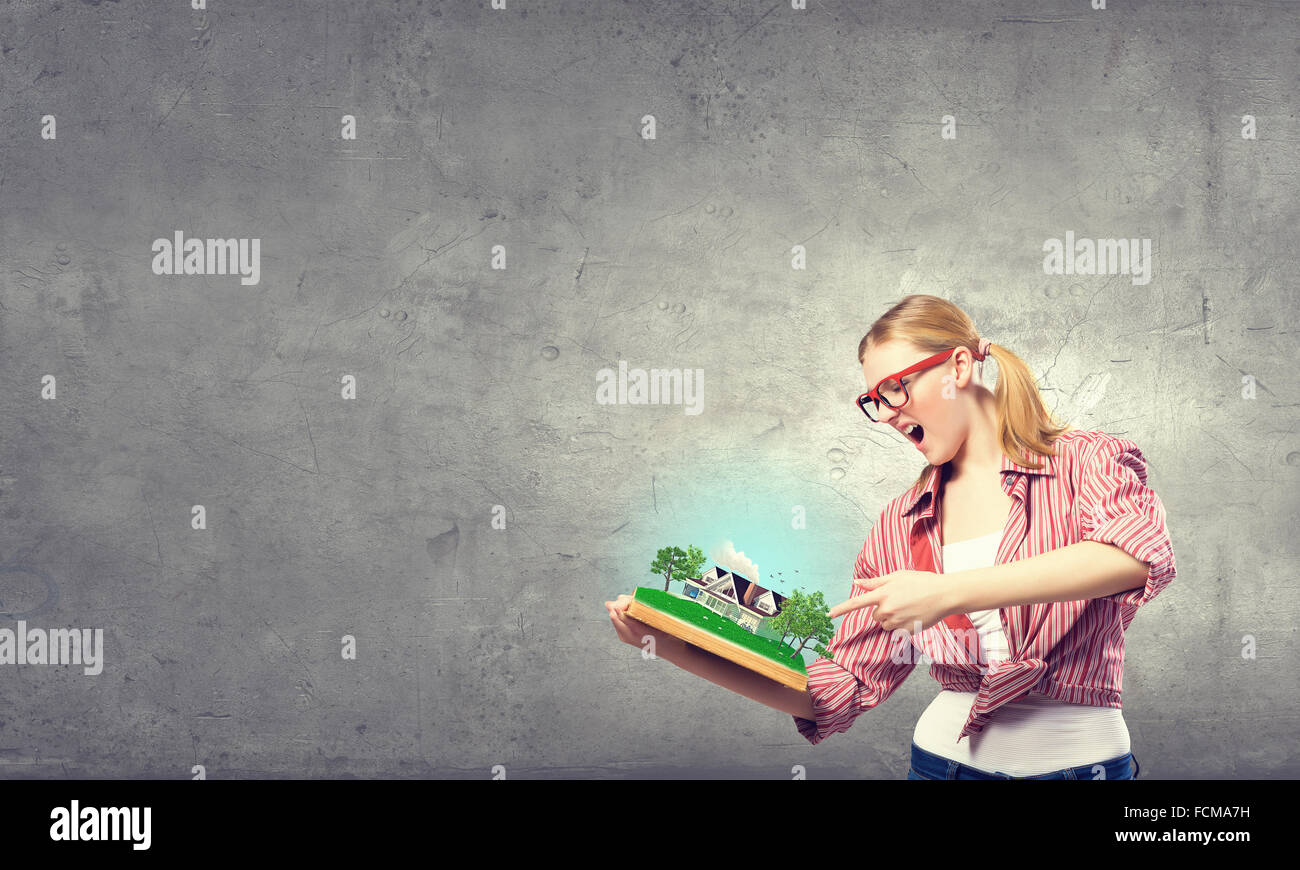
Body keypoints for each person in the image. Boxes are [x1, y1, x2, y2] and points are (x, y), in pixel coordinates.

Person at [606, 294, 1177, 780]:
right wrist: (677, 645)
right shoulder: (899, 526)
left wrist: (949, 592)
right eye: (875, 399)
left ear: (958, 367)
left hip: (1082, 766)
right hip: (941, 765)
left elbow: (1133, 556)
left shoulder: (1083, 459)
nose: (889, 413)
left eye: (896, 388)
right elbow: (839, 685)